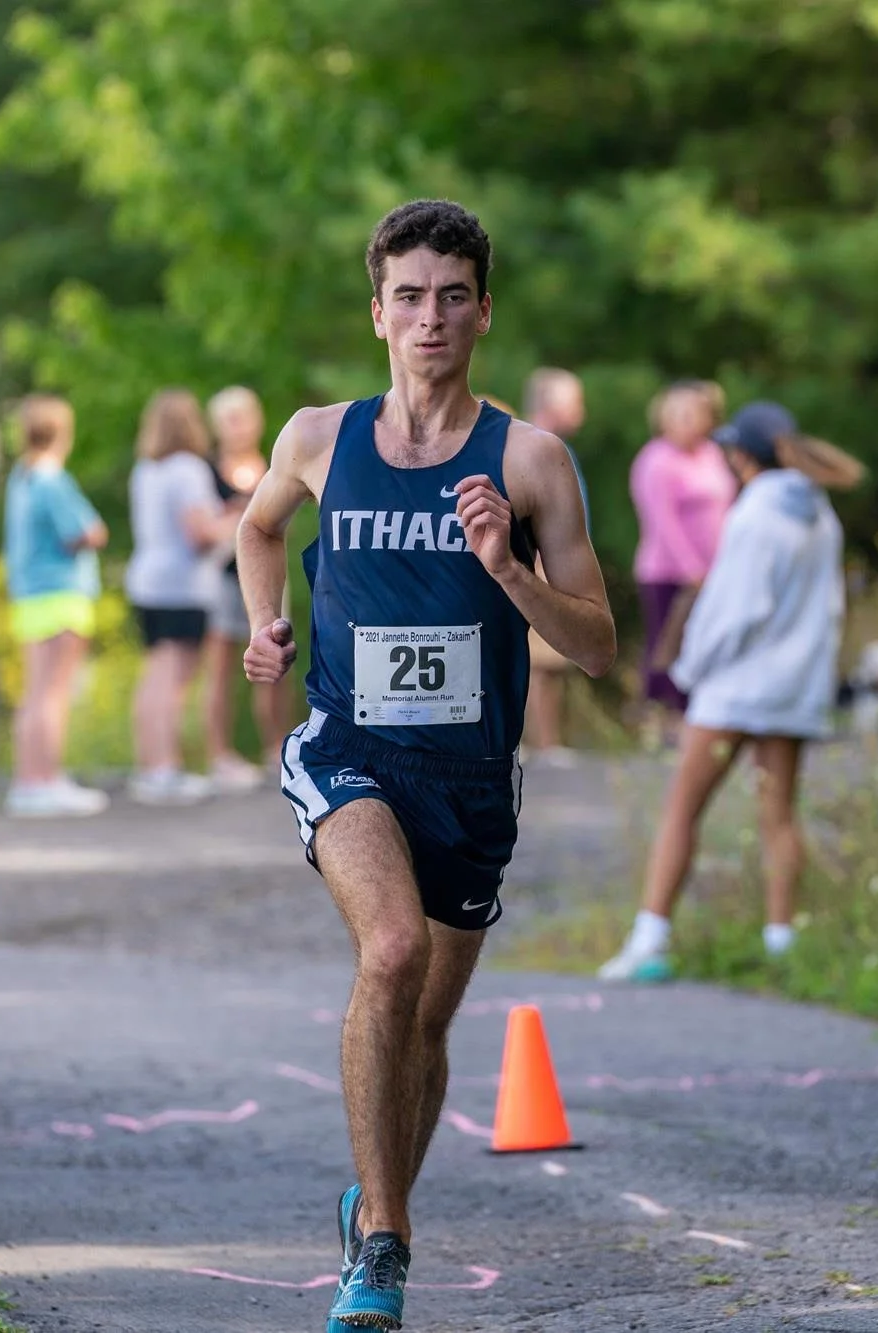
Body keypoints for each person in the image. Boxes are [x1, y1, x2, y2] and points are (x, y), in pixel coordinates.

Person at [237, 199, 613, 1332]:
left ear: (482, 312)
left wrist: (507, 568)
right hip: (348, 751)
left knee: (428, 1026)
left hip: (468, 779)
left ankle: (375, 1197)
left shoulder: (531, 460)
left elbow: (595, 646)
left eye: (452, 296)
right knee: (388, 953)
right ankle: (386, 1246)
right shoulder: (317, 437)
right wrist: (265, 624)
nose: (430, 317)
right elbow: (258, 530)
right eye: (409, 296)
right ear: (378, 313)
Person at [598, 402, 863, 983]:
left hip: (737, 689)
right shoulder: (820, 515)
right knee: (780, 816)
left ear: (742, 457)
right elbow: (829, 610)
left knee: (683, 809)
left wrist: (690, 669)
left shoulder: (753, 516)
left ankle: (650, 939)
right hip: (793, 691)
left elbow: (735, 611)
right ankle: (782, 942)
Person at [3, 394, 111, 818]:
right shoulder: (52, 480)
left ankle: (28, 781)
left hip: (28, 595)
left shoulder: (22, 477)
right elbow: (85, 531)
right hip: (62, 594)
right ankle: (47, 780)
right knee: (55, 693)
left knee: (34, 693)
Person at [125, 388, 228, 805]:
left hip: (147, 581)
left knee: (155, 674)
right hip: (182, 586)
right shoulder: (188, 469)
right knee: (174, 680)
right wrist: (236, 522)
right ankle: (166, 768)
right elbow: (200, 535)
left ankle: (151, 766)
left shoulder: (146, 469)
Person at [629, 379, 735, 742]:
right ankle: (663, 720)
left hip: (716, 571)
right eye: (677, 414)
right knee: (667, 643)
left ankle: (700, 716)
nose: (686, 421)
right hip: (670, 572)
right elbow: (662, 523)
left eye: (693, 414)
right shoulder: (656, 460)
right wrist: (691, 568)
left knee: (705, 644)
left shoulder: (712, 454)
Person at [203, 384, 286, 792]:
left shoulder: (273, 466)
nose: (236, 427)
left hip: (267, 578)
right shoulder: (206, 470)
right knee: (220, 669)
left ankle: (276, 748)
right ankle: (219, 753)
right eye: (228, 419)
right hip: (221, 577)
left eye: (243, 417)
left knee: (275, 664)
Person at [521, 367, 588, 766]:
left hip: (557, 566)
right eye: (574, 400)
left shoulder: (555, 448)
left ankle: (548, 741)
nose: (582, 410)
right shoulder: (532, 448)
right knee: (536, 660)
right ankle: (533, 741)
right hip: (539, 566)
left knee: (551, 661)